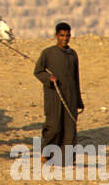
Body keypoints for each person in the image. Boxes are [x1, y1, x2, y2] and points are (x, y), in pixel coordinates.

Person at [33, 22, 85, 156]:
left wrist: (78, 100)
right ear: (56, 36)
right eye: (62, 35)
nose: (65, 38)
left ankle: (65, 160)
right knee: (54, 127)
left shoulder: (73, 54)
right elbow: (38, 71)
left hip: (70, 97)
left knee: (70, 130)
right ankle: (46, 154)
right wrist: (48, 78)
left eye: (67, 36)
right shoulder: (48, 53)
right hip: (54, 96)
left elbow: (76, 78)